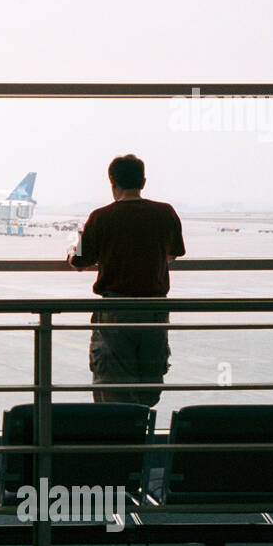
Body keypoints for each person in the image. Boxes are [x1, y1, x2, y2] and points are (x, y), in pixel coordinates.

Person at [65, 155, 185, 406]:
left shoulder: (101, 217)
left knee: (113, 389)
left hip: (116, 313)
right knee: (149, 388)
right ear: (143, 181)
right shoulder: (165, 213)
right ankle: (140, 436)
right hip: (154, 310)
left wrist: (72, 248)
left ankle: (118, 440)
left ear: (112, 182)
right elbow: (173, 253)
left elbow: (80, 261)